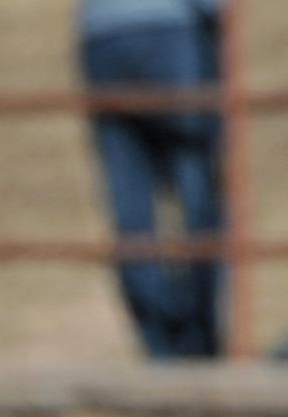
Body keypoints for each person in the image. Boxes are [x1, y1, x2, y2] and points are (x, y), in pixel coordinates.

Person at [78, 0, 225, 360]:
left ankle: (160, 347)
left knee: (130, 200)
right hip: (171, 29)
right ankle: (198, 343)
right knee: (198, 190)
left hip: (99, 34)